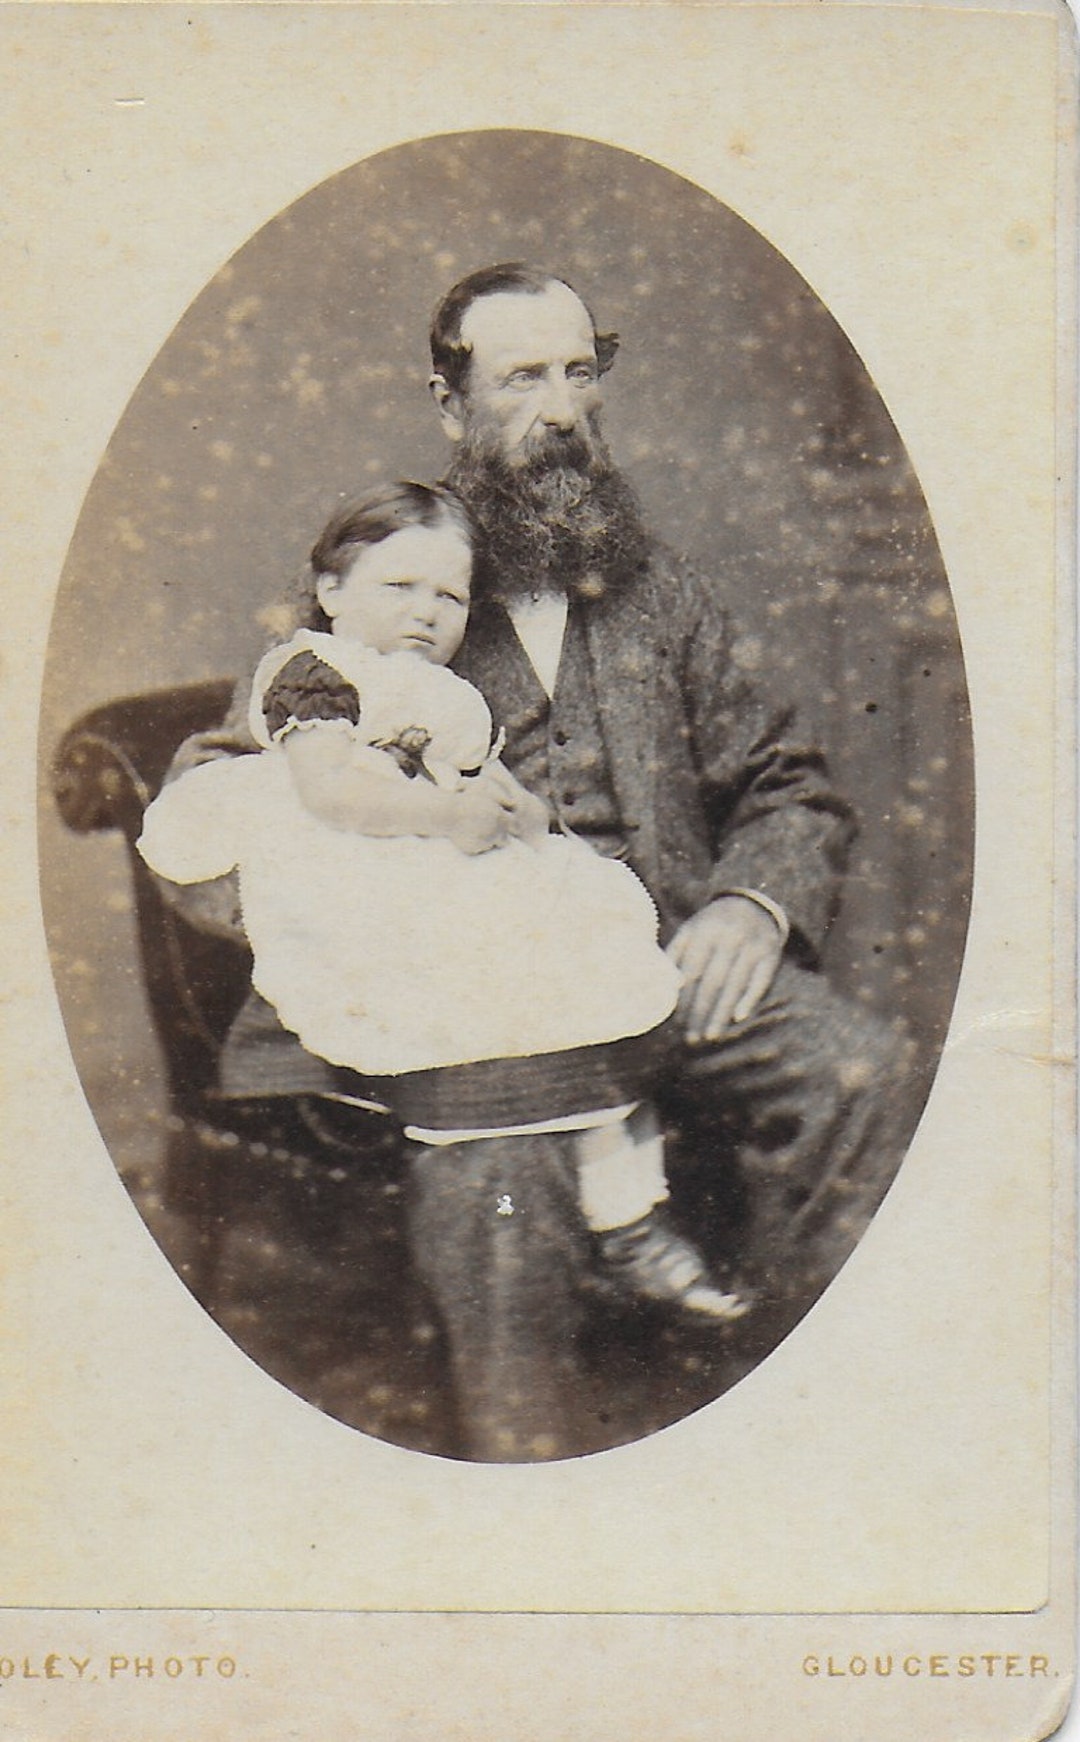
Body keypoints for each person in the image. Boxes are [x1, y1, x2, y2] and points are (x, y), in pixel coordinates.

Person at [167, 263, 912, 1458]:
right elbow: (222, 785)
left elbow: (786, 776)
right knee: (502, 1183)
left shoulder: (661, 587)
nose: (564, 408)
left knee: (859, 1070)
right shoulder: (395, 575)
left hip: (661, 961)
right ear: (451, 403)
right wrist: (346, 899)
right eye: (523, 378)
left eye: (581, 372)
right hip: (471, 1006)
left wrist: (750, 904)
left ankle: (787, 1418)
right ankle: (531, 1488)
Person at [138, 481, 750, 1324]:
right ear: (330, 591)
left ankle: (627, 1215)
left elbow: (489, 783)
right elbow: (331, 797)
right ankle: (594, 1204)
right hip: (369, 877)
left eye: (449, 596)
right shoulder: (316, 673)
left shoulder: (449, 694)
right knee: (476, 985)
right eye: (399, 588)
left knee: (582, 972)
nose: (425, 613)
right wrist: (445, 816)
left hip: (445, 864)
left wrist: (524, 817)